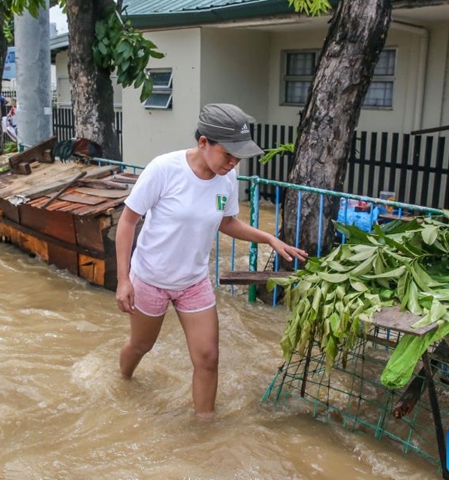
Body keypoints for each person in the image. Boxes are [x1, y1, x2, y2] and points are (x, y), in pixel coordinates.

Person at [115, 103, 308, 419]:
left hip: (193, 281)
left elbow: (227, 222)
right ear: (204, 142)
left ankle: (205, 426)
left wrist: (269, 237)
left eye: (238, 157)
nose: (233, 163)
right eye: (228, 154)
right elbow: (128, 221)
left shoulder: (226, 177)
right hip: (150, 278)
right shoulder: (163, 169)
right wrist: (124, 280)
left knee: (208, 357)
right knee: (141, 346)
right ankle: (122, 379)